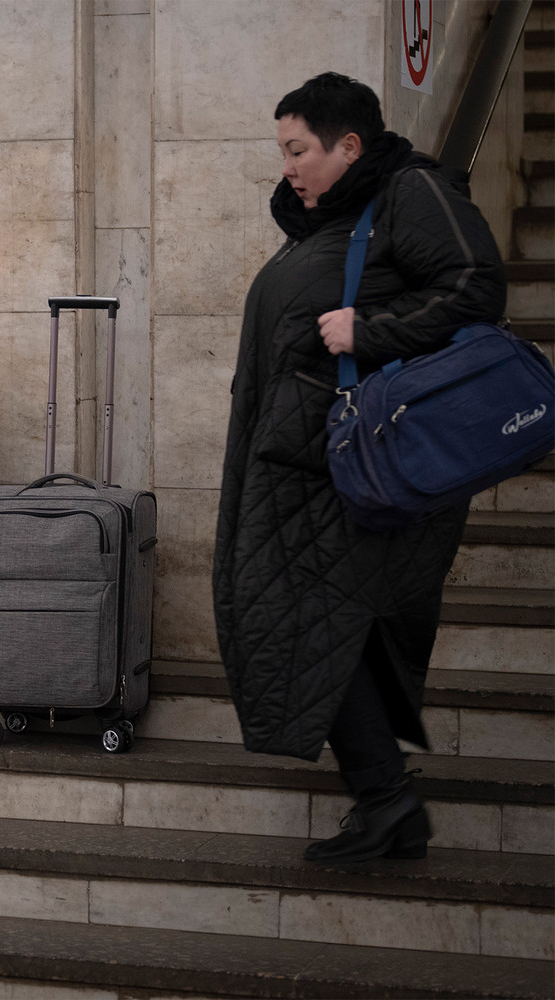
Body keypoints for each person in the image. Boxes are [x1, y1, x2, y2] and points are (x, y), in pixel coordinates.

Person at [213, 73, 506, 863]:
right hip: (302, 463)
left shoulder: (409, 193)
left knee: (301, 614)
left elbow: (478, 288)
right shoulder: (330, 222)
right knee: (307, 616)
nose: (288, 168)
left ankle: (385, 799)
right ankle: (387, 802)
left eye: (298, 149)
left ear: (350, 145)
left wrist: (370, 330)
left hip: (357, 464)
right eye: (283, 151)